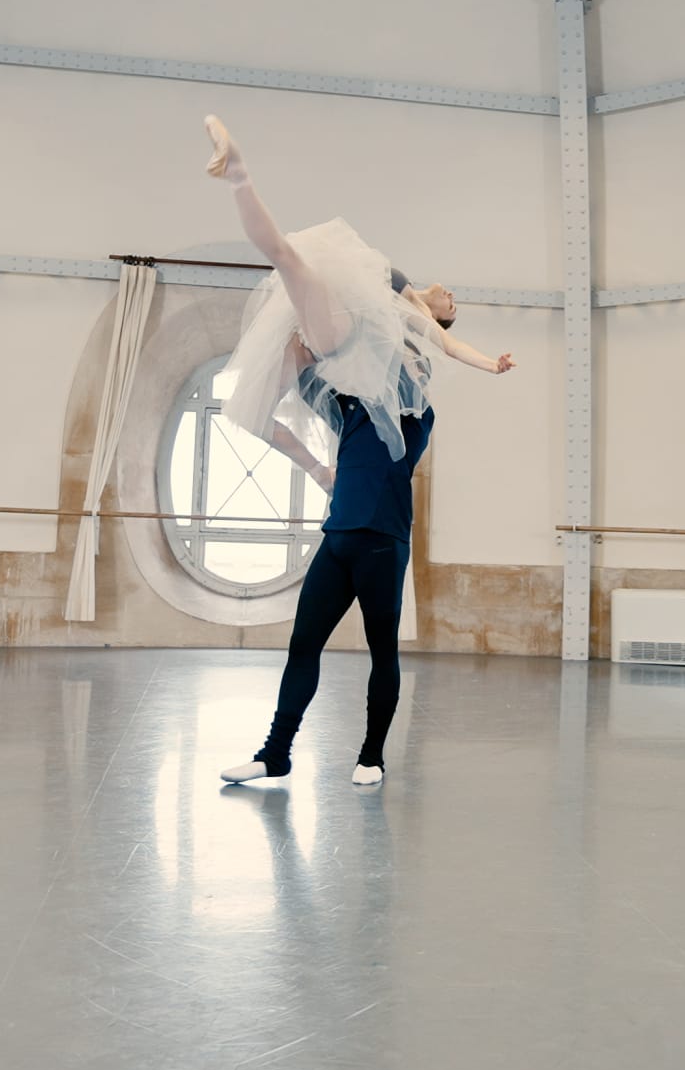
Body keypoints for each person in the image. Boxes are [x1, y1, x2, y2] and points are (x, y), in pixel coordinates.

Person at [201, 117, 513, 787]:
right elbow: (388, 314)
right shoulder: (365, 352)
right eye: (444, 292)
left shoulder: (412, 401)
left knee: (381, 650)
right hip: (339, 535)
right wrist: (317, 462)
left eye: (449, 304)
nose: (447, 291)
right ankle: (274, 753)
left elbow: (442, 341)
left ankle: (371, 755)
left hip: (381, 541)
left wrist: (484, 362)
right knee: (302, 645)